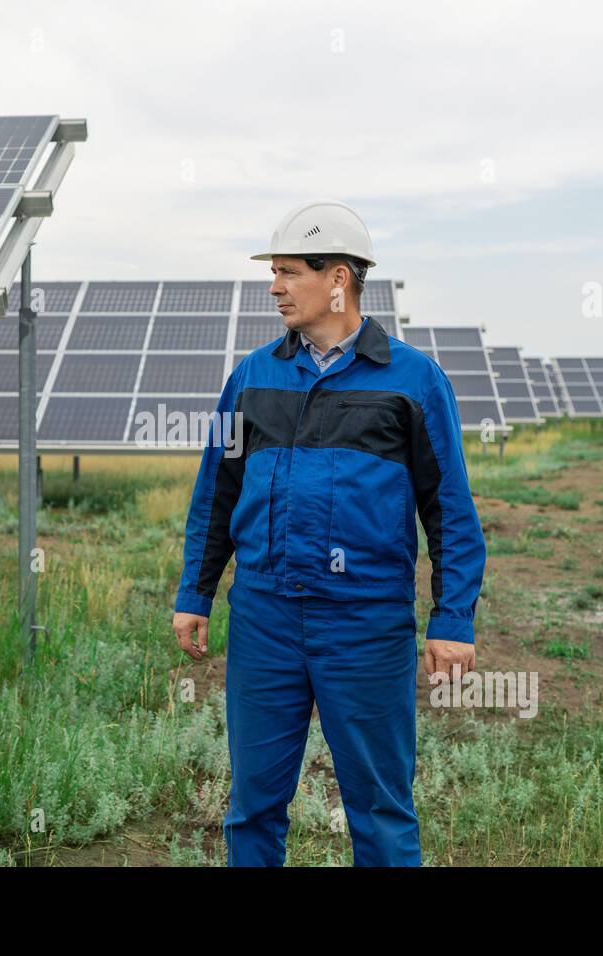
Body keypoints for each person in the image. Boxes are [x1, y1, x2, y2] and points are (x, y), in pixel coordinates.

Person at [171, 198, 486, 866]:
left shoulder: (415, 382)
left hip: (366, 626)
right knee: (253, 806)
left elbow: (450, 509)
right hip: (264, 619)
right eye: (275, 272)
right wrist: (194, 594)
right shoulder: (250, 380)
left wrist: (453, 618)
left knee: (378, 808)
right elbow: (216, 493)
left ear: (337, 278)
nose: (274, 286)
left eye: (289, 271)